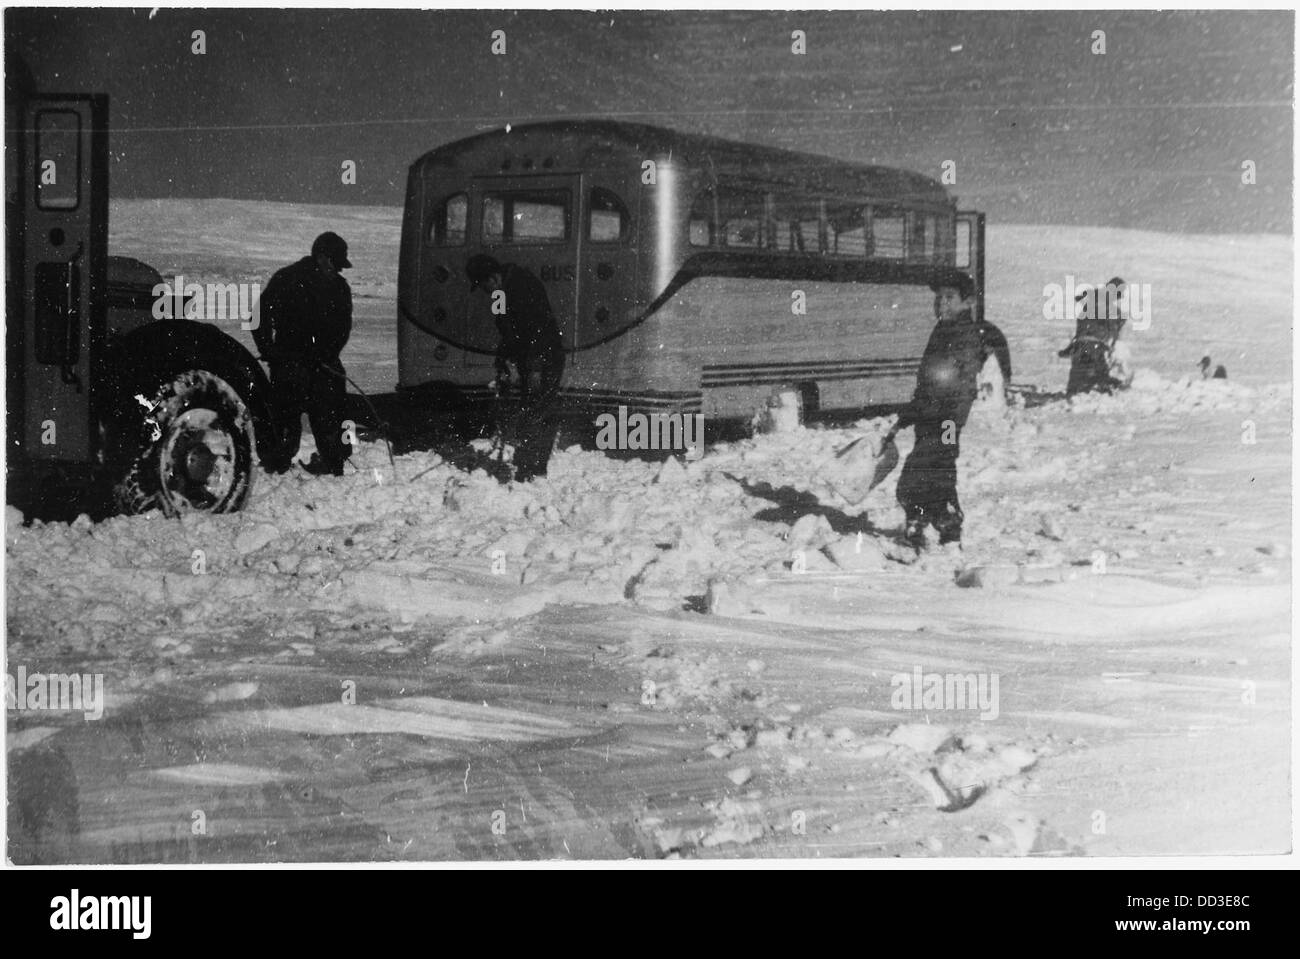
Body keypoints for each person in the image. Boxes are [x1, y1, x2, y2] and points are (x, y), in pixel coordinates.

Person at [892, 270, 999, 549]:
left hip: (947, 421)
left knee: (924, 473)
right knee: (934, 473)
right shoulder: (942, 330)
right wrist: (908, 415)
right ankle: (938, 528)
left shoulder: (965, 334)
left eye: (949, 298)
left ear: (967, 302)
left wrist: (950, 422)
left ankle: (929, 525)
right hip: (929, 419)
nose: (941, 304)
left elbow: (963, 386)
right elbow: (929, 381)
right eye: (939, 298)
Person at [253, 232, 354, 475]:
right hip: (290, 364)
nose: (337, 270)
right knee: (283, 420)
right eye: (335, 263)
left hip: (324, 364)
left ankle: (333, 463)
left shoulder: (340, 286)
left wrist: (328, 354)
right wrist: (270, 351)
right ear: (321, 258)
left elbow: (343, 327)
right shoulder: (287, 279)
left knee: (334, 417)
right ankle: (275, 467)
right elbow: (257, 317)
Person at [465, 254, 565, 481]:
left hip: (544, 356)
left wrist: (536, 368)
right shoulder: (499, 293)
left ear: (493, 277)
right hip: (529, 357)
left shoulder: (525, 286)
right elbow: (505, 328)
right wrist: (502, 360)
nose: (485, 292)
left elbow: (538, 330)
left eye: (484, 285)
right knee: (530, 408)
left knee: (537, 410)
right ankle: (528, 466)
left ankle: (532, 470)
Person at [1060, 276, 1127, 396]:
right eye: (1119, 294)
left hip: (1079, 345)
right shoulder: (1107, 307)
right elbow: (1112, 322)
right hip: (1094, 346)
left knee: (1077, 378)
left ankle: (1075, 391)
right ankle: (1103, 388)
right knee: (1101, 374)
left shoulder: (1092, 300)